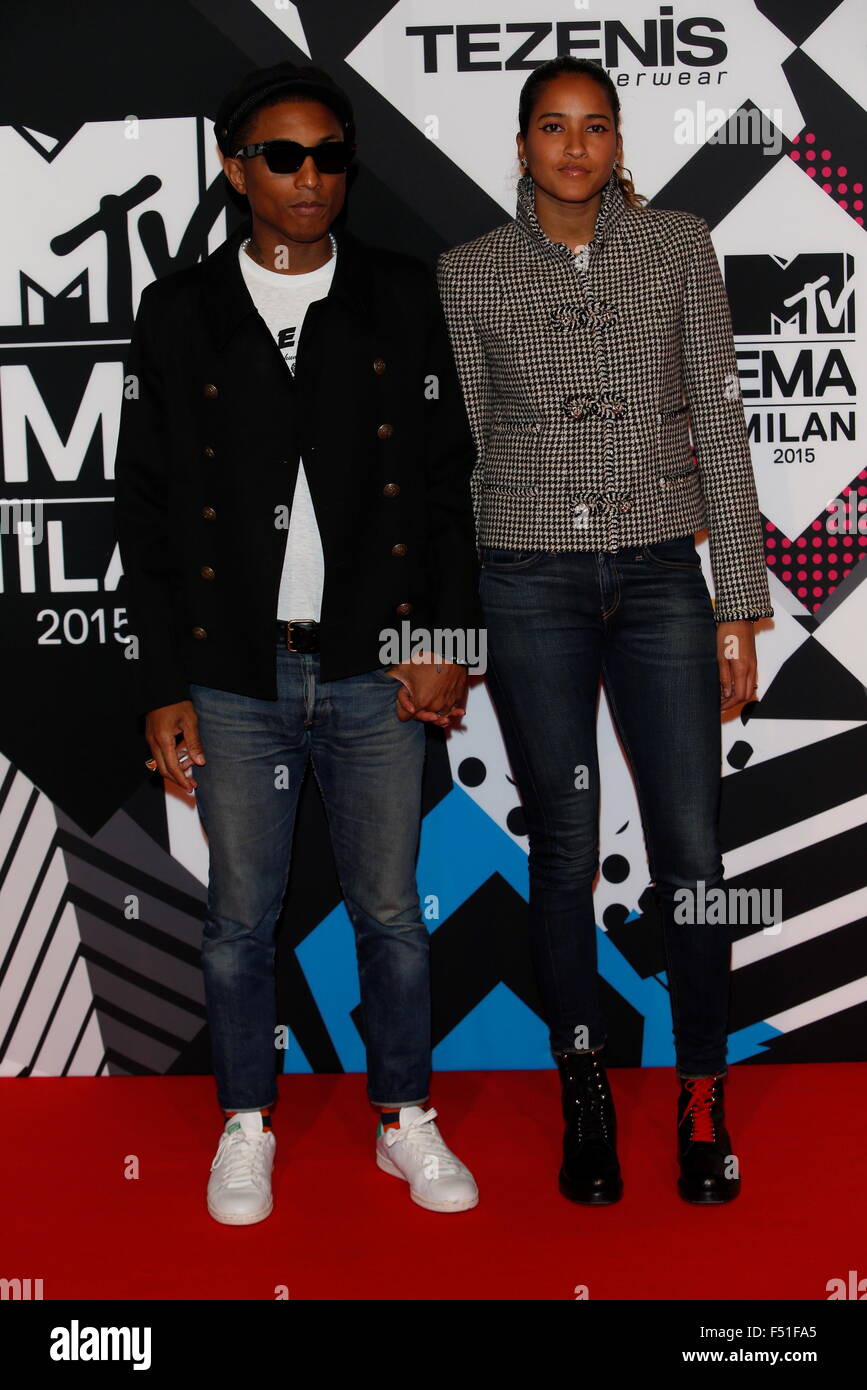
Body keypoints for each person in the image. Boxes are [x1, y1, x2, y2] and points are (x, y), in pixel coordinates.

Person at [114, 61, 483, 1223]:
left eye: (329, 155)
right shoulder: (182, 312)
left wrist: (451, 642)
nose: (311, 176)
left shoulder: (397, 294)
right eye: (284, 156)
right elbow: (148, 506)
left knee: (391, 908)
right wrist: (165, 682)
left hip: (377, 661)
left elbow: (444, 486)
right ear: (237, 170)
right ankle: (245, 1121)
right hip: (232, 668)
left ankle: (403, 1115)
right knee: (239, 917)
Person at [438, 56, 773, 1206]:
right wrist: (441, 618)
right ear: (522, 143)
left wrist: (740, 600)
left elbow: (721, 427)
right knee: (565, 849)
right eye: (552, 127)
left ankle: (700, 1089)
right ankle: (584, 1083)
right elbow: (459, 460)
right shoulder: (468, 274)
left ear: (620, 141)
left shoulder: (679, 247)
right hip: (528, 579)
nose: (576, 147)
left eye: (596, 127)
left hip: (660, 577)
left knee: (690, 846)